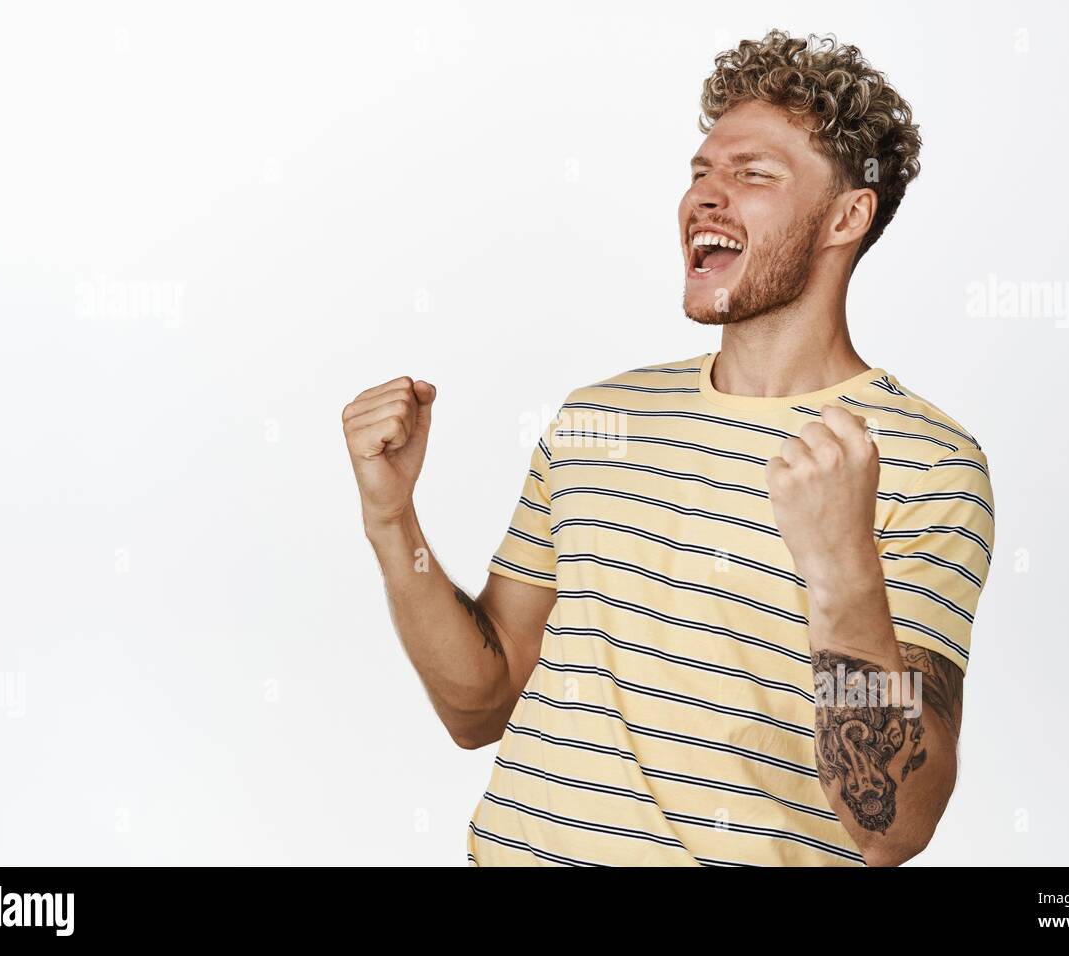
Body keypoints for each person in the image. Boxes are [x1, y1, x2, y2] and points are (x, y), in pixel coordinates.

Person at [343, 30, 994, 866]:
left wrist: (842, 570)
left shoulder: (923, 459)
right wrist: (392, 519)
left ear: (847, 215)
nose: (706, 200)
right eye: (700, 175)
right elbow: (481, 707)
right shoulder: (597, 417)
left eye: (753, 175)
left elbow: (892, 826)